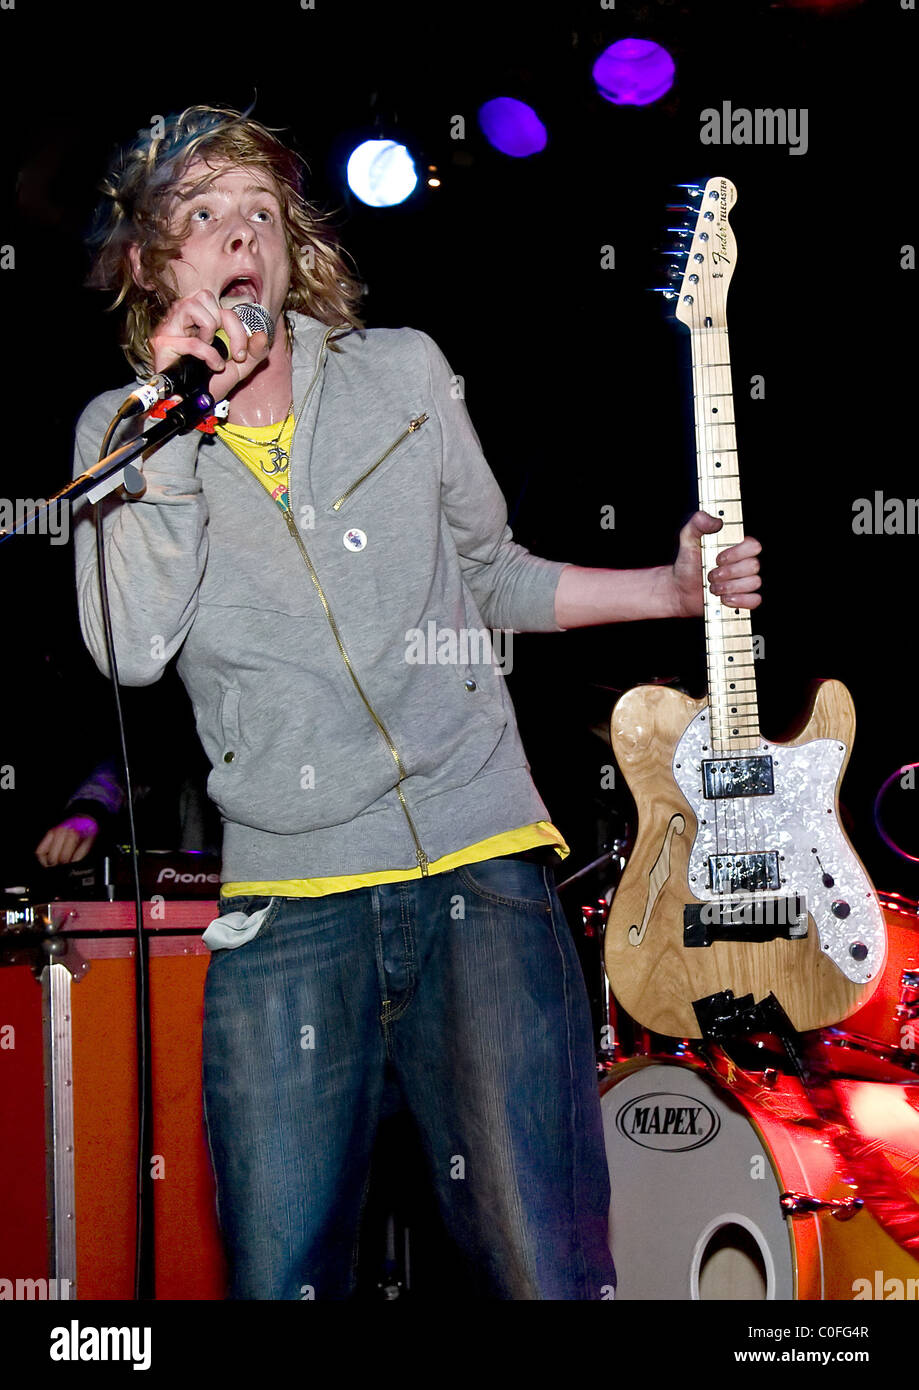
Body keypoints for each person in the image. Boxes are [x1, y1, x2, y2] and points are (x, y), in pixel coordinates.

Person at [73, 105, 761, 1300]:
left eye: (260, 212)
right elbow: (132, 651)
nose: (240, 232)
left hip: (477, 852)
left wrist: (668, 583)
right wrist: (176, 424)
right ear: (150, 262)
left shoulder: (400, 370)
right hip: (288, 902)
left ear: (291, 246)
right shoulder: (122, 437)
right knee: (281, 1273)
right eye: (201, 214)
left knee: (543, 1260)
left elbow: (492, 577)